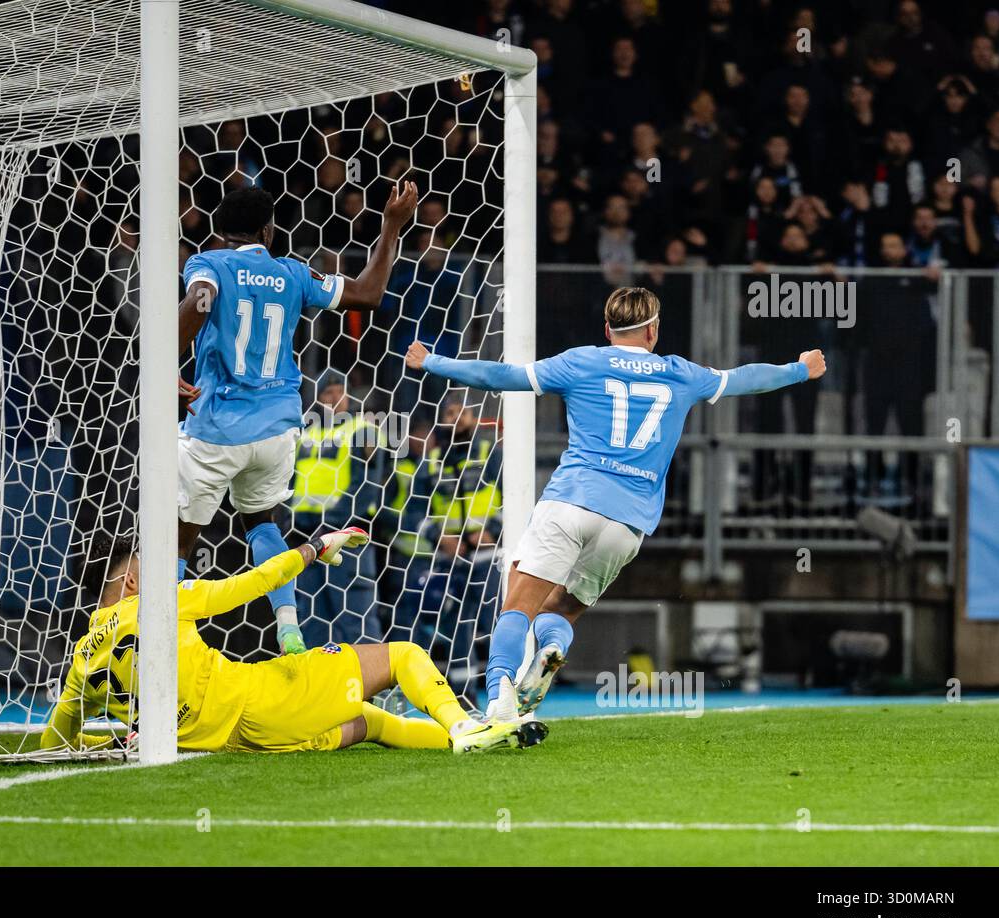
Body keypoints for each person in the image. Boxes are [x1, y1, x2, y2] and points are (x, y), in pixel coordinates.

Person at [405, 287, 826, 720]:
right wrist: (800, 369)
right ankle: (551, 649)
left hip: (572, 501)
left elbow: (501, 376)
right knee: (564, 608)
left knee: (517, 605)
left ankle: (498, 703)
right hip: (628, 523)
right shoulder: (680, 374)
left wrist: (432, 361)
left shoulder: (580, 362)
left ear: (608, 330)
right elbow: (744, 379)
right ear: (653, 330)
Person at [174, 181, 418, 655]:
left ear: (219, 230)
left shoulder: (209, 264)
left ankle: (160, 643)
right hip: (279, 427)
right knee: (263, 524)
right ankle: (288, 626)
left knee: (177, 540)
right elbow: (368, 294)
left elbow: (201, 300)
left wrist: (168, 360)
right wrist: (390, 226)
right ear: (268, 230)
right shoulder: (292, 273)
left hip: (217, 426)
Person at [40, 528, 546, 756]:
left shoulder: (82, 660)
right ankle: (464, 727)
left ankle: (488, 738)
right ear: (131, 582)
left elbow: (53, 743)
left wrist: (110, 741)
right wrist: (314, 547)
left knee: (369, 722)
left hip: (243, 743)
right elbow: (252, 584)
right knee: (402, 655)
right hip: (263, 696)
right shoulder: (157, 602)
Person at [290, 372, 386, 646]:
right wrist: (289, 520)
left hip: (345, 536)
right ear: (319, 399)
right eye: (328, 393)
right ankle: (318, 681)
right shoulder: (305, 434)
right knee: (312, 615)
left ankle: (371, 683)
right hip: (306, 535)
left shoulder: (363, 429)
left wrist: (333, 521)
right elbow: (291, 480)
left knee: (355, 612)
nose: (335, 398)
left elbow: (366, 483)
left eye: (339, 392)